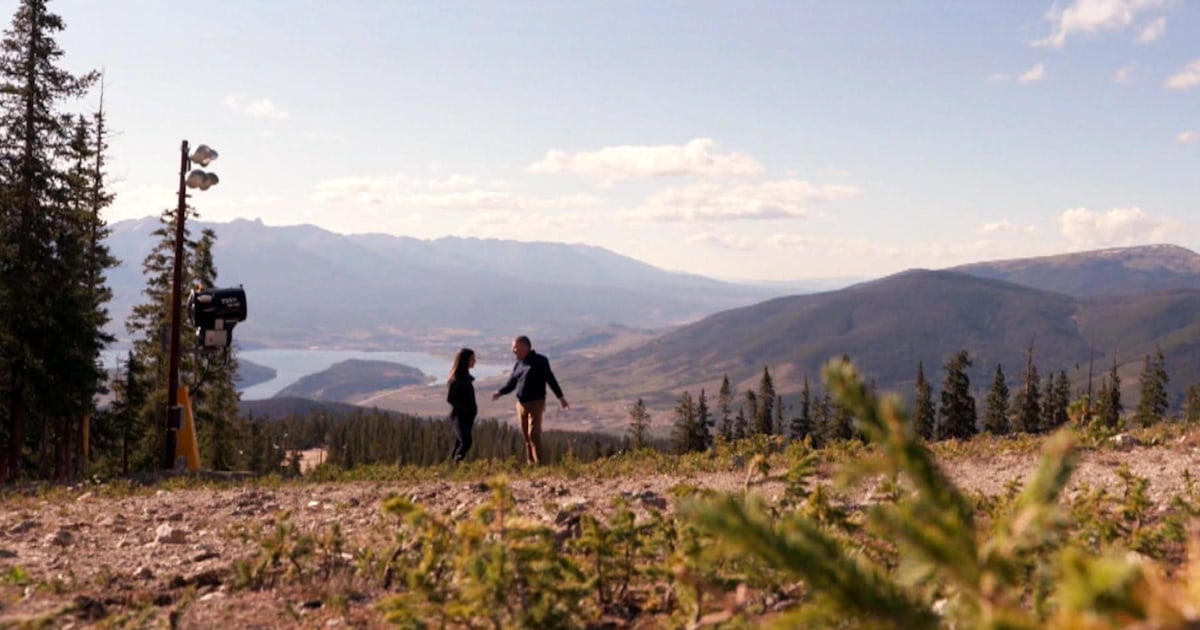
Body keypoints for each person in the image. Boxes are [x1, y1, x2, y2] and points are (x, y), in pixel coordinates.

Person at [492, 335, 568, 465]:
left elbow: (550, 379)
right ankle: (530, 462)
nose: (513, 350)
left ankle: (539, 462)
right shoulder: (519, 364)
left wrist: (560, 397)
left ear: (525, 347)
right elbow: (512, 383)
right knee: (526, 436)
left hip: (536, 402)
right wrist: (500, 392)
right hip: (521, 403)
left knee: (534, 433)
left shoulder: (540, 361)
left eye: (515, 347)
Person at [446, 347, 478, 463]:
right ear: (465, 360)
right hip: (459, 417)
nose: (474, 362)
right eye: (472, 359)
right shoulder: (457, 379)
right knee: (466, 442)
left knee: (459, 442)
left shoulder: (465, 378)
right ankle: (456, 465)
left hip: (467, 417)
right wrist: (465, 409)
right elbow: (450, 399)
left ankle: (451, 467)